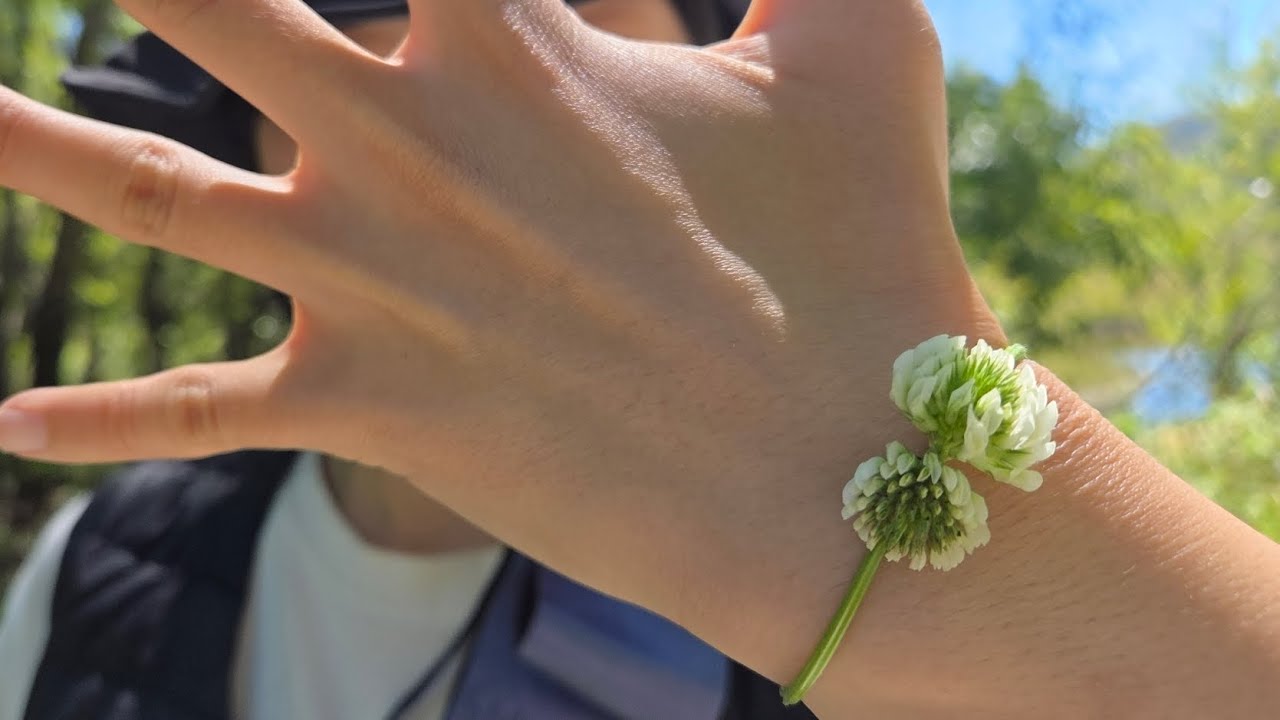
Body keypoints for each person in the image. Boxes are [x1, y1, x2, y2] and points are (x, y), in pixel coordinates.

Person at [0, 0, 1277, 717]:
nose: (440, 136)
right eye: (348, 54)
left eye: (565, 37)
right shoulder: (97, 563)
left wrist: (975, 575)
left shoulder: (815, 650)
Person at [0, 2, 814, 719]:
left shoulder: (828, 598)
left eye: (590, 18)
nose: (440, 155)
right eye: (337, 43)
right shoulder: (94, 557)